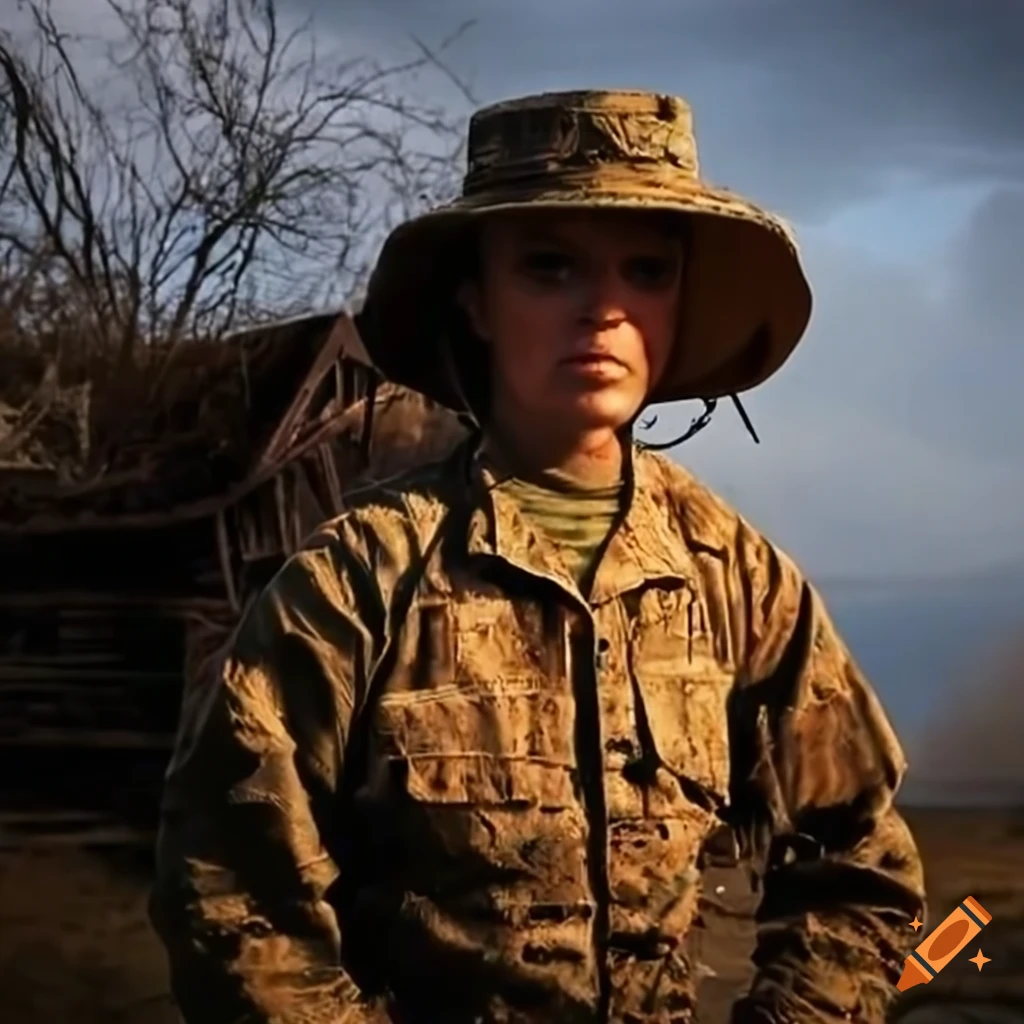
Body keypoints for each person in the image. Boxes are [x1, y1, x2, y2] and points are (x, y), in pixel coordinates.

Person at [149, 90, 926, 1024]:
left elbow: (860, 859)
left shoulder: (733, 577)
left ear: (679, 305)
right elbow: (232, 893)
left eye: (645, 271)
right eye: (550, 268)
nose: (604, 309)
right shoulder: (358, 580)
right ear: (476, 299)